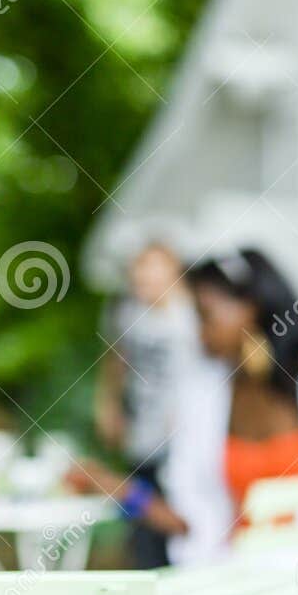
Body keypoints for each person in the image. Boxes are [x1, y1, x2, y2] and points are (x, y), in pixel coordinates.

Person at [72, 247, 298, 563]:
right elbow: (192, 522)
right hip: (236, 579)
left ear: (250, 308)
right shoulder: (204, 396)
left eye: (205, 316)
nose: (199, 333)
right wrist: (118, 489)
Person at [92, 239, 199, 568]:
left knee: (179, 514)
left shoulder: (190, 316)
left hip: (183, 438)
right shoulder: (128, 313)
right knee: (140, 513)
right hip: (143, 432)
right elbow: (116, 360)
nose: (145, 280)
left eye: (154, 271)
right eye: (139, 272)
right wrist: (108, 405)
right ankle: (149, 576)